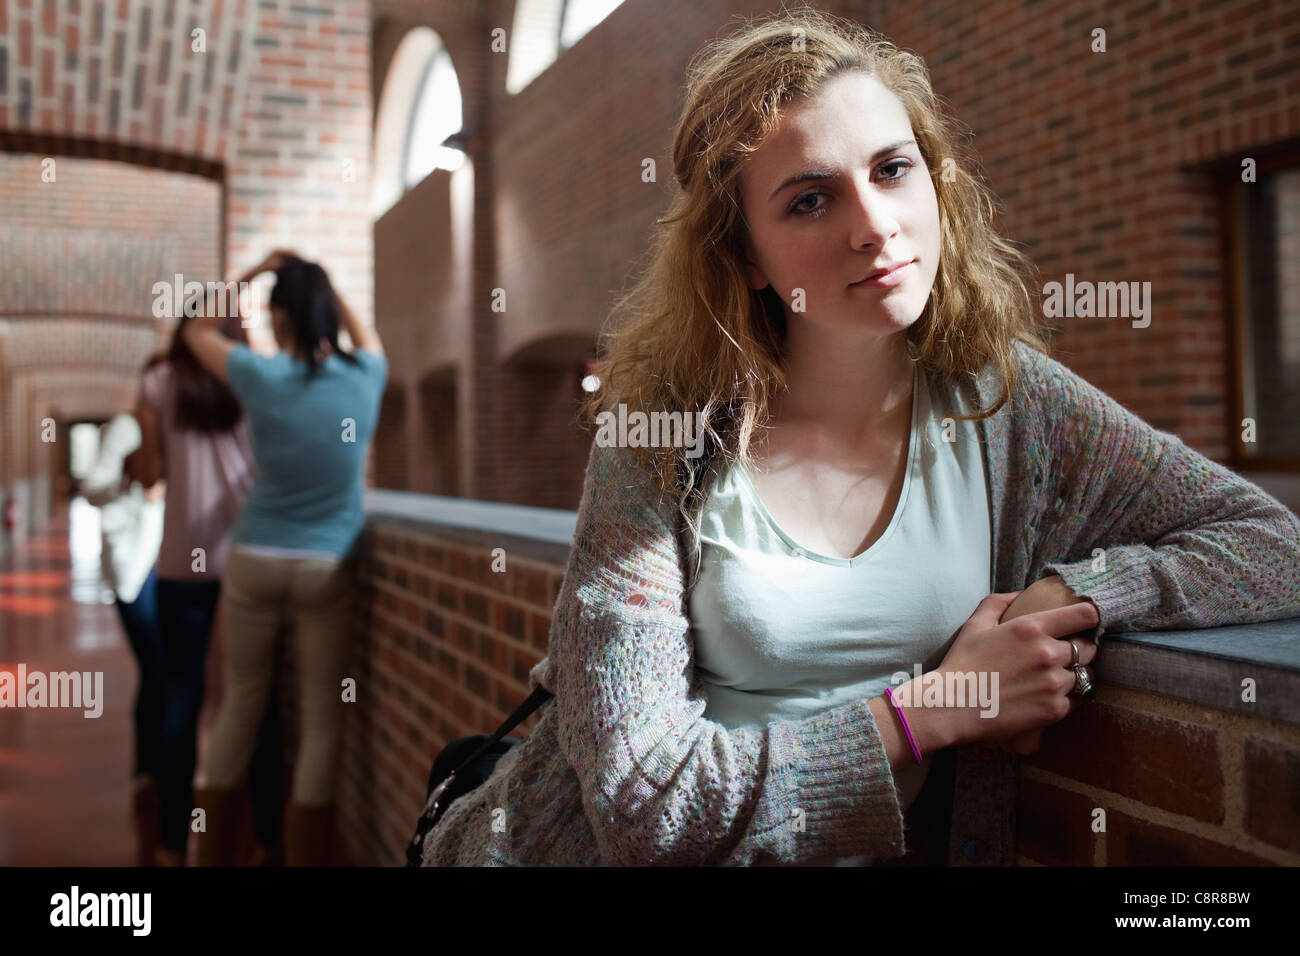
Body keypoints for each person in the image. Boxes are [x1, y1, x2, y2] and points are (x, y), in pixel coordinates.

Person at [418, 8, 1300, 867]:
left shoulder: (1009, 403)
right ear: (746, 258)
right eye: (809, 200)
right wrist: (937, 708)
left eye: (892, 169)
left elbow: (1271, 545)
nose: (874, 226)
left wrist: (1079, 591)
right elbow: (646, 812)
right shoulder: (661, 439)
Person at [182, 250, 387, 866]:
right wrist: (322, 279)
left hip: (254, 558)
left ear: (278, 317)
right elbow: (364, 333)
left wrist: (252, 273)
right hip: (326, 564)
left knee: (240, 704)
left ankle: (208, 857)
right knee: (323, 719)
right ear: (327, 312)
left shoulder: (259, 376)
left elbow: (193, 330)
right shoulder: (366, 374)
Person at [136, 309, 285, 866]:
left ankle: (174, 845)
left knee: (184, 696)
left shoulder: (158, 382)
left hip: (180, 564)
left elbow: (149, 473)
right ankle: (268, 837)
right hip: (247, 558)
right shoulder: (256, 377)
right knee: (256, 699)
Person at [77, 379, 167, 866]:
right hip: (134, 563)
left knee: (164, 670)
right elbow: (91, 487)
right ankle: (146, 770)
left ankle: (156, 768)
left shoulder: (180, 429)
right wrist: (135, 488)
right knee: (154, 667)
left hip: (171, 561)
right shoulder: (127, 429)